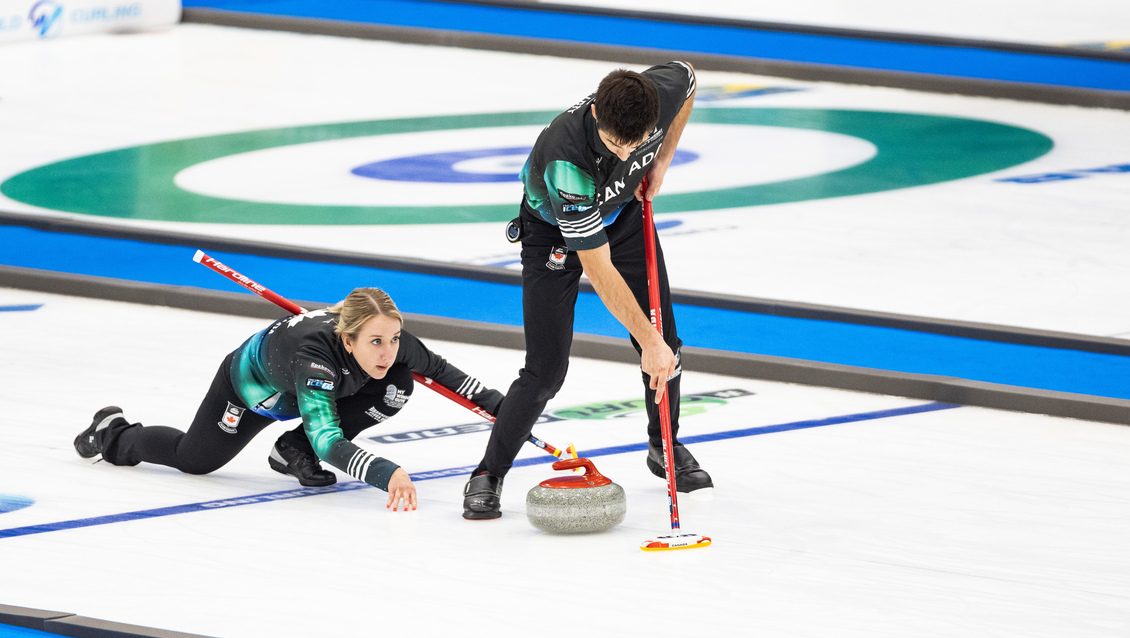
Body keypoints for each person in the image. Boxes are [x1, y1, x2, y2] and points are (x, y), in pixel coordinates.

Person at [462, 61, 712, 520]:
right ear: (597, 114)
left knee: (666, 342)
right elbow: (597, 269)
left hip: (624, 216)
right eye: (616, 144)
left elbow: (689, 77)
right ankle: (488, 473)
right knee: (546, 370)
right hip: (554, 233)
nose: (623, 155)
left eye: (635, 144)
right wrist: (649, 343)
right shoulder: (567, 158)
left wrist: (661, 159)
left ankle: (664, 446)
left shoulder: (658, 95)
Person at [74, 288, 503, 511]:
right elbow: (328, 440)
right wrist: (386, 472)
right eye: (376, 341)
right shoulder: (313, 358)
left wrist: (507, 409)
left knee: (398, 385)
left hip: (319, 390)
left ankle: (288, 450)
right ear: (347, 338)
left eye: (393, 338)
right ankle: (114, 433)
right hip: (252, 394)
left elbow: (449, 376)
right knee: (195, 460)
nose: (388, 350)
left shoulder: (391, 345)